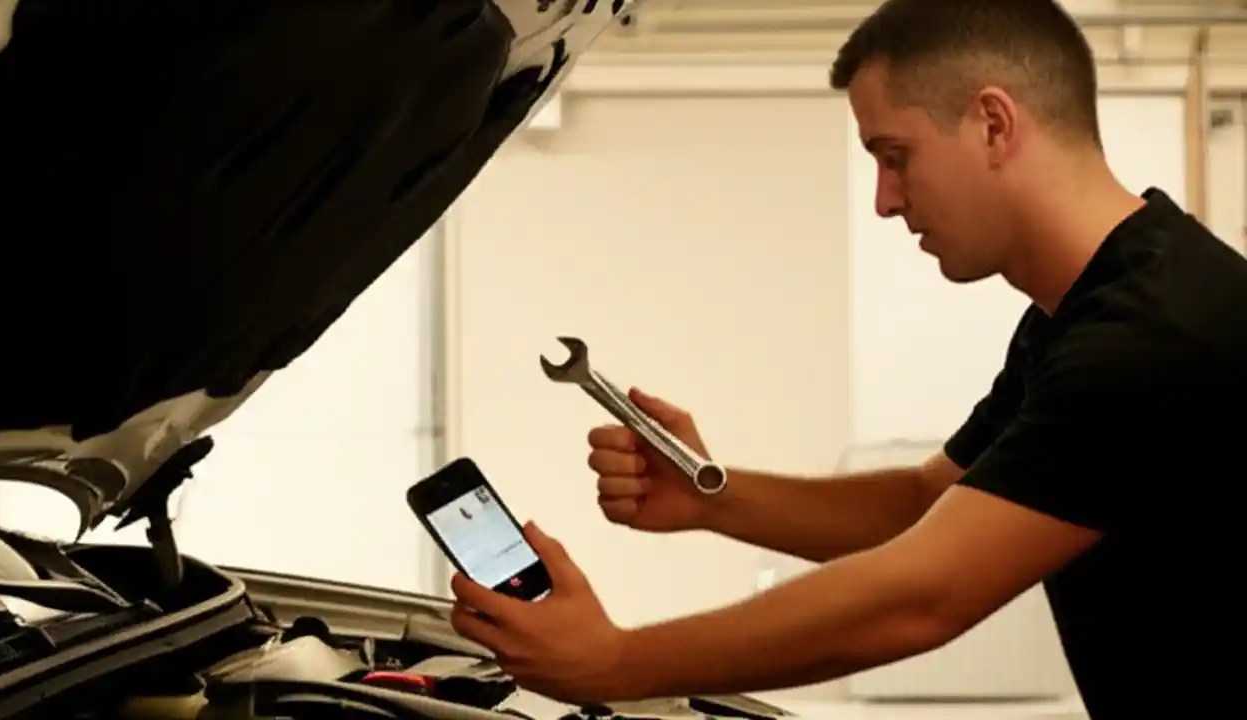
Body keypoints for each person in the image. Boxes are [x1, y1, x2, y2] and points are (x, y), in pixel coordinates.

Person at [446, 0, 1247, 715]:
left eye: (895, 156)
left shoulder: (1148, 337)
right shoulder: (1085, 315)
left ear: (994, 124)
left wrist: (617, 663)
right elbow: (925, 504)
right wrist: (712, 495)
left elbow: (922, 595)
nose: (885, 200)